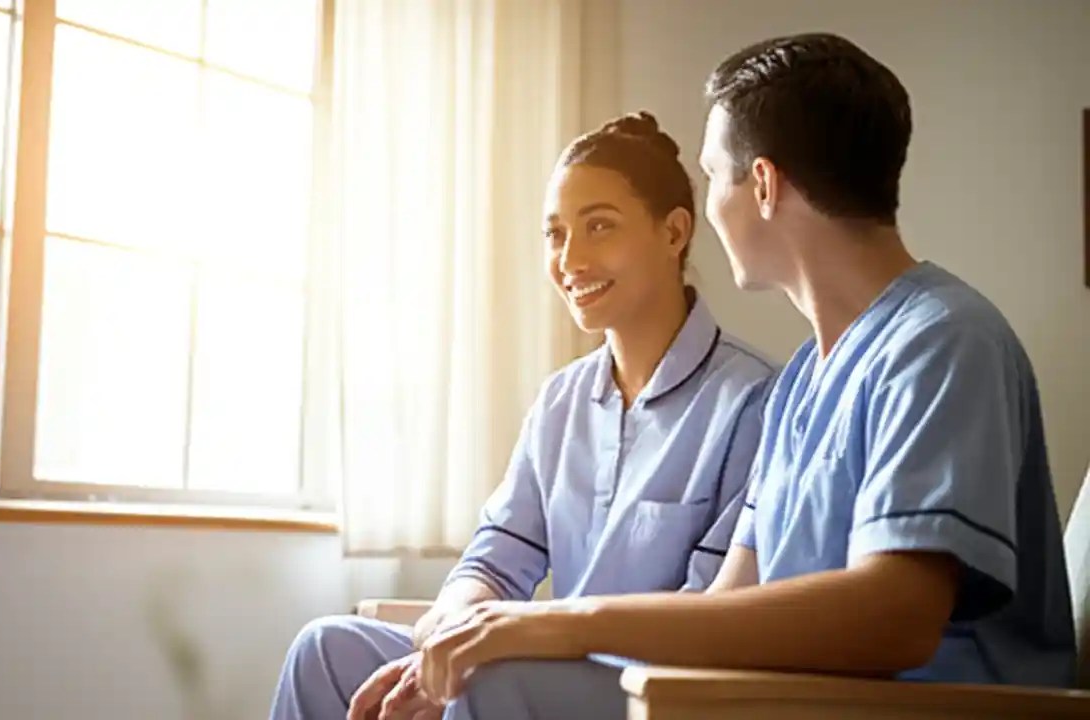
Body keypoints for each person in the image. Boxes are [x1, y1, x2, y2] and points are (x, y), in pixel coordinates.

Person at [412, 32, 1078, 718]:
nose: (709, 209)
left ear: (761, 183)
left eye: (712, 175)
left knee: (499, 687)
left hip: (920, 709)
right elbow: (729, 604)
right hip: (789, 699)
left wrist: (566, 620)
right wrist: (528, 632)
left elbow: (898, 616)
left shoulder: (943, 341)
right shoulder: (799, 386)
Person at [268, 112, 777, 719]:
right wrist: (446, 640)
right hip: (532, 668)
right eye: (556, 234)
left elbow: (706, 618)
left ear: (673, 233)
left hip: (649, 693)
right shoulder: (560, 401)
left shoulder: (753, 402)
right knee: (324, 649)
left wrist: (491, 661)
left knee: (491, 685)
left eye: (599, 227)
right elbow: (495, 558)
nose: (571, 260)